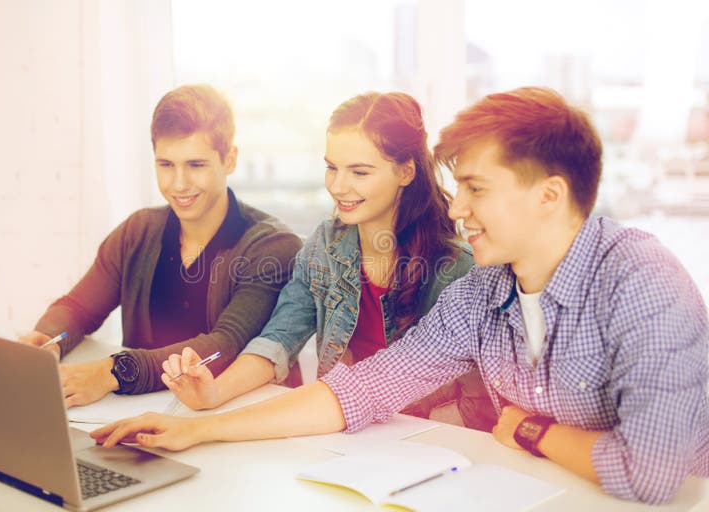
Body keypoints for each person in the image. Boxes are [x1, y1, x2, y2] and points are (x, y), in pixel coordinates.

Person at [90, 87, 709, 505]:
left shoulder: (642, 282)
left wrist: (528, 430)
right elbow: (359, 390)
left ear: (549, 195)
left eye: (476, 188)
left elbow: (649, 473)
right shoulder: (484, 291)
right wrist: (204, 431)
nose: (459, 207)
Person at [158, 91, 494, 429]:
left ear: (406, 172)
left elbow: (480, 404)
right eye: (332, 168)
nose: (338, 186)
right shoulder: (325, 244)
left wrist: (410, 430)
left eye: (359, 172)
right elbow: (279, 338)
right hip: (338, 429)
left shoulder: (457, 268)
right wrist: (214, 393)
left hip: (423, 442)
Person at [19, 84, 302, 407]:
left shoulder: (272, 247)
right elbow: (78, 310)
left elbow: (225, 345)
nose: (179, 184)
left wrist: (114, 372)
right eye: (166, 165)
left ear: (230, 160)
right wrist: (51, 340)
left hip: (235, 423)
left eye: (196, 165)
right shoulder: (138, 232)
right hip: (137, 411)